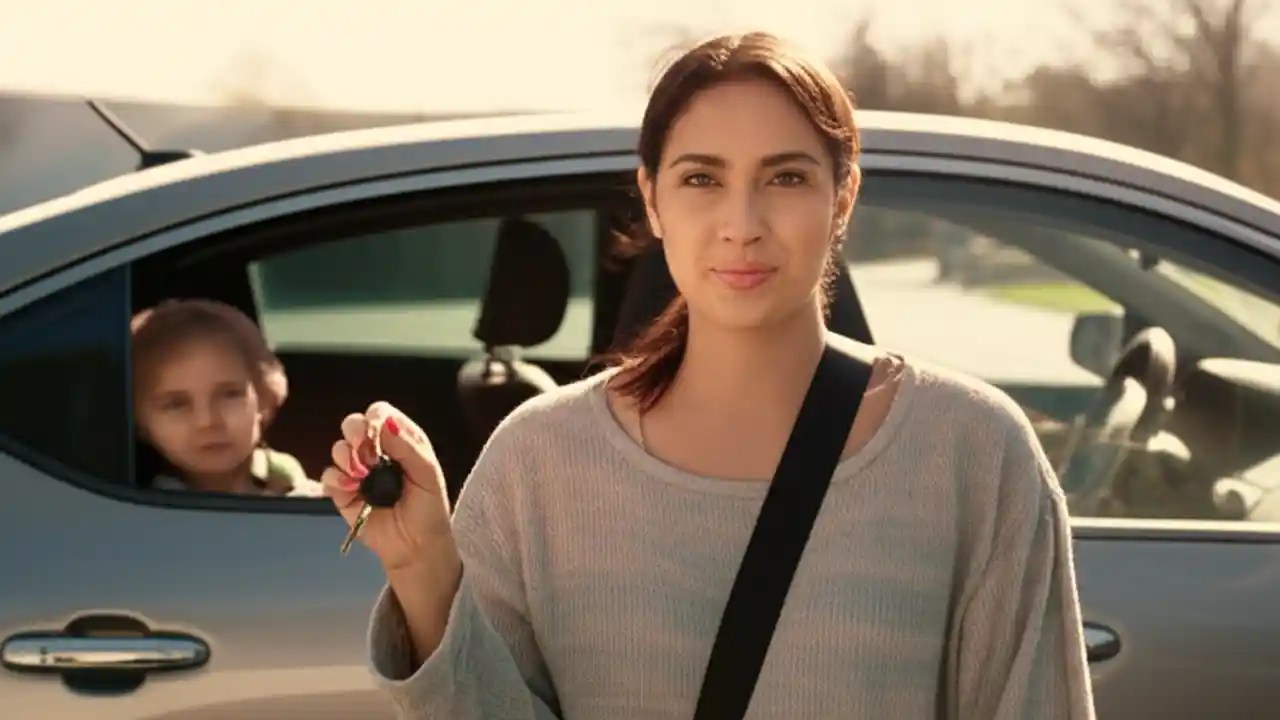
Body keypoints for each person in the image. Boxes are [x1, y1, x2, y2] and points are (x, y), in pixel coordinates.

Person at [323, 31, 1096, 718]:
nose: (741, 224)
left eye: (785, 178)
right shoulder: (538, 463)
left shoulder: (971, 451)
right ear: (652, 199)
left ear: (843, 198)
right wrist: (424, 569)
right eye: (701, 179)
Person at [131, 298, 320, 498]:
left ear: (263, 397)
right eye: (176, 404)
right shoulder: (142, 505)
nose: (207, 422)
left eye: (230, 395)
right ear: (141, 421)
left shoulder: (291, 483)